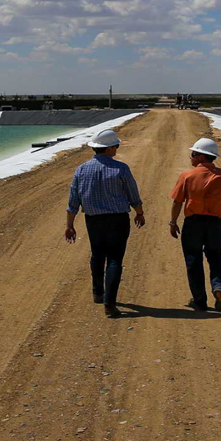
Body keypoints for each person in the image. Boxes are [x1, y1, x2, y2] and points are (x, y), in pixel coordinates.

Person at [66, 129, 145, 318]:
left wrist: (69, 226)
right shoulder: (121, 169)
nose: (117, 149)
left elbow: (73, 201)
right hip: (117, 220)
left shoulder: (81, 169)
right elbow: (133, 195)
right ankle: (110, 304)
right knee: (115, 259)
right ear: (109, 148)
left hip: (93, 220)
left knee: (97, 255)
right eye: (116, 146)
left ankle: (97, 293)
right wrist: (140, 213)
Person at [168, 138, 221, 312]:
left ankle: (199, 301)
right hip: (215, 223)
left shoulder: (187, 175)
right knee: (215, 257)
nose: (191, 157)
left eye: (193, 154)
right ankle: (218, 287)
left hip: (193, 223)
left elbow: (177, 202)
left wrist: (173, 222)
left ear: (201, 156)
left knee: (193, 260)